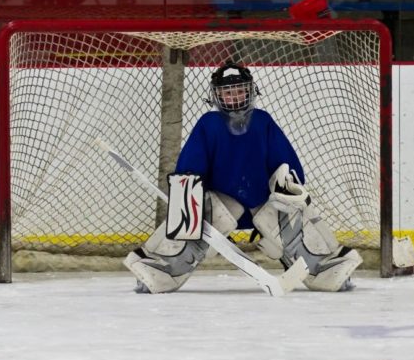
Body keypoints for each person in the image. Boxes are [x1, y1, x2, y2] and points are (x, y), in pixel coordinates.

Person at [125, 61, 362, 293]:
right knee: (190, 210)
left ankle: (325, 269)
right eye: (227, 92)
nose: (234, 97)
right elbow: (190, 168)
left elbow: (287, 167)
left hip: (264, 204)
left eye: (239, 90)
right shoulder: (209, 123)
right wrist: (188, 197)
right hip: (221, 206)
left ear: (251, 91)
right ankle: (159, 270)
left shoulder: (262, 120)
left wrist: (288, 188)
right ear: (216, 96)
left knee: (291, 208)